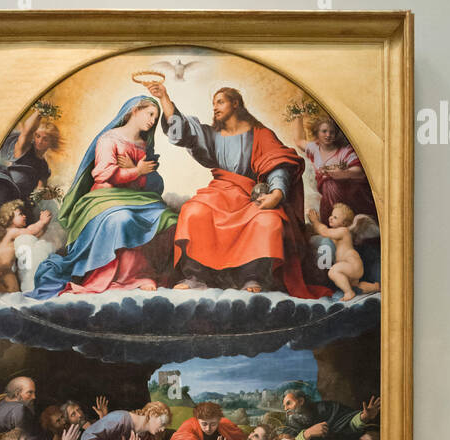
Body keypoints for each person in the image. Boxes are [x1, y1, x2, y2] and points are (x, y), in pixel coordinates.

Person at [148, 81, 330, 297]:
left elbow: (277, 164)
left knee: (268, 221)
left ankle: (252, 276)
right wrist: (164, 98)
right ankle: (196, 276)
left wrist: (276, 194)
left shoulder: (261, 135)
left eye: (220, 102)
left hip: (251, 195)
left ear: (236, 104)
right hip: (219, 192)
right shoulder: (211, 135)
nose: (215, 107)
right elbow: (182, 132)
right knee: (194, 212)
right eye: (213, 103)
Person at [32, 97, 177, 299]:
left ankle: (149, 273)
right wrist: (136, 170)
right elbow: (102, 174)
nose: (153, 121)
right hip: (104, 196)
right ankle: (125, 278)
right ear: (134, 110)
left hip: (134, 197)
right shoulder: (109, 139)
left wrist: (138, 172)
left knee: (169, 220)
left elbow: (147, 183)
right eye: (150, 114)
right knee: (122, 219)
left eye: (156, 117)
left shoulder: (144, 145)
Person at [290, 110, 378, 223]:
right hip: (328, 198)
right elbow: (299, 141)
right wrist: (297, 115)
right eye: (324, 131)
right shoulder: (315, 149)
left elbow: (359, 171)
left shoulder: (345, 151)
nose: (328, 135)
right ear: (317, 133)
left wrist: (341, 174)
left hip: (350, 196)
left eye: (331, 132)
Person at [0, 106, 61, 215]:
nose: (39, 141)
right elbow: (26, 132)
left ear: (51, 143)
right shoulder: (25, 148)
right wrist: (39, 112)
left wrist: (47, 194)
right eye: (37, 136)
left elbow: (40, 189)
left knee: (29, 220)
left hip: (21, 198)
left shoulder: (44, 166)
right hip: (5, 189)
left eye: (45, 139)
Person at [0, 199, 53, 295]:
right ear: (10, 217)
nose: (24, 216)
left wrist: (46, 224)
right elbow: (31, 231)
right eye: (20, 214)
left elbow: (35, 236)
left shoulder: (18, 233)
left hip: (6, 268)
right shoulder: (12, 231)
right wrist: (42, 222)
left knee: (14, 291)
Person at [307, 203, 379, 300]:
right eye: (331, 215)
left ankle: (349, 293)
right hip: (352, 265)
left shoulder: (343, 231)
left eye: (335, 217)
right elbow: (324, 235)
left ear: (344, 223)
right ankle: (375, 287)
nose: (331, 218)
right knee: (354, 285)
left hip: (351, 264)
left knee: (333, 272)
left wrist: (315, 221)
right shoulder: (338, 233)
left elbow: (324, 232)